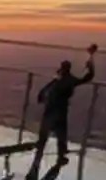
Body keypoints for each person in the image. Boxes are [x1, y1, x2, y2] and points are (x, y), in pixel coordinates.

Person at [30, 44, 97, 173]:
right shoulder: (69, 80)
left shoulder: (58, 80)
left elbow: (45, 90)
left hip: (51, 109)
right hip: (60, 109)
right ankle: (60, 156)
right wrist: (91, 61)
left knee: (46, 133)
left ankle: (40, 155)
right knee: (61, 133)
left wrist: (41, 97)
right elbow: (87, 77)